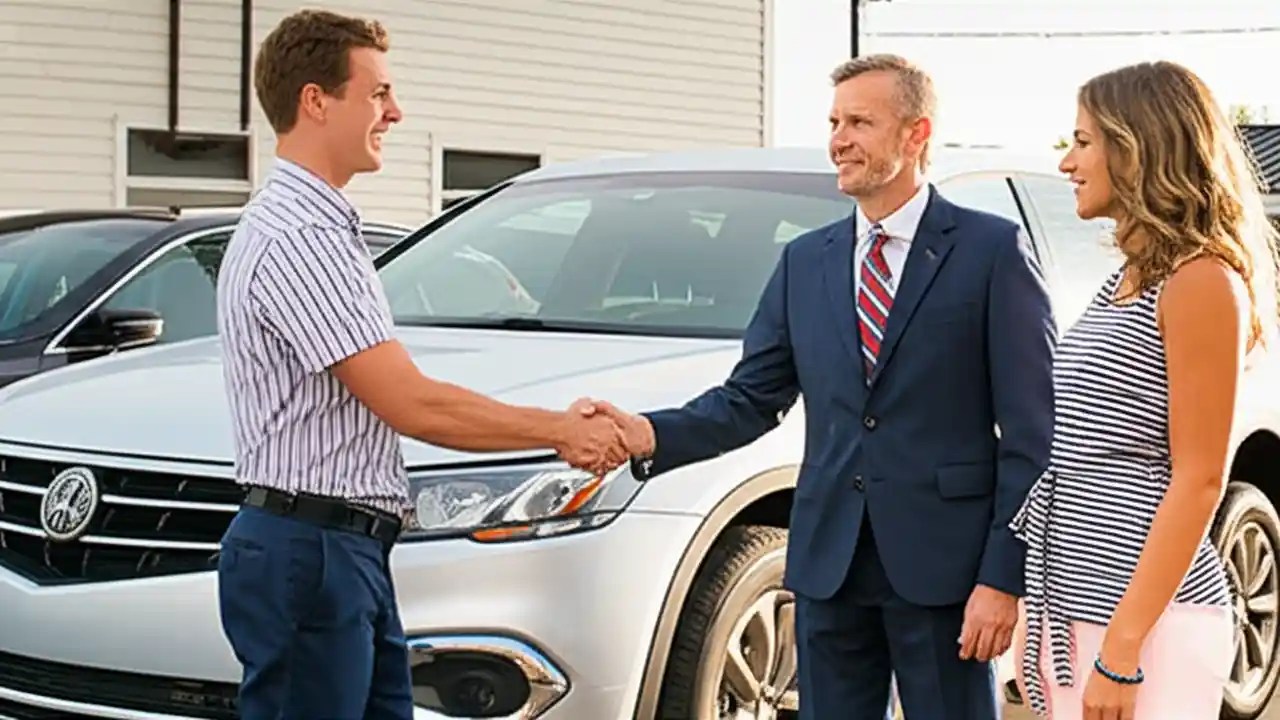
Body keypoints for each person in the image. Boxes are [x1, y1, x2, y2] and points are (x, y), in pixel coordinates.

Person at [585, 53, 1056, 719]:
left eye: (860, 121)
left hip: (944, 570)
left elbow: (1034, 438)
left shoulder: (991, 250)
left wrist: (1001, 578)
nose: (839, 139)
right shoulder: (805, 261)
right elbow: (749, 400)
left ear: (916, 134)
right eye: (834, 121)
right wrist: (649, 432)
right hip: (829, 564)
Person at [214, 10, 626, 719]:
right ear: (316, 100)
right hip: (311, 555)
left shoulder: (318, 228)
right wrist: (560, 431)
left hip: (341, 552)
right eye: (377, 93)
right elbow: (412, 404)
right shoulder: (299, 236)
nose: (395, 113)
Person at [1009, 60, 1280, 719]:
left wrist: (1122, 648)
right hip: (1079, 609)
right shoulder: (1126, 281)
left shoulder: (1202, 282)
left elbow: (1198, 479)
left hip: (1146, 628)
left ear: (1138, 148)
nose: (1067, 162)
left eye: (1081, 140)